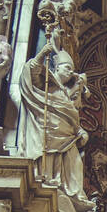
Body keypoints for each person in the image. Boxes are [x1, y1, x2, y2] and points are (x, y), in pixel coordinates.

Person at [18, 41, 89, 200]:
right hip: (47, 132)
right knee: (49, 160)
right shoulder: (47, 81)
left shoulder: (66, 92)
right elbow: (32, 72)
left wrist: (80, 131)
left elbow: (71, 116)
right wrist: (43, 53)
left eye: (71, 70)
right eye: (67, 68)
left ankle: (72, 192)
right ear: (57, 68)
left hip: (67, 136)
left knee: (76, 164)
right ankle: (46, 179)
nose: (70, 72)